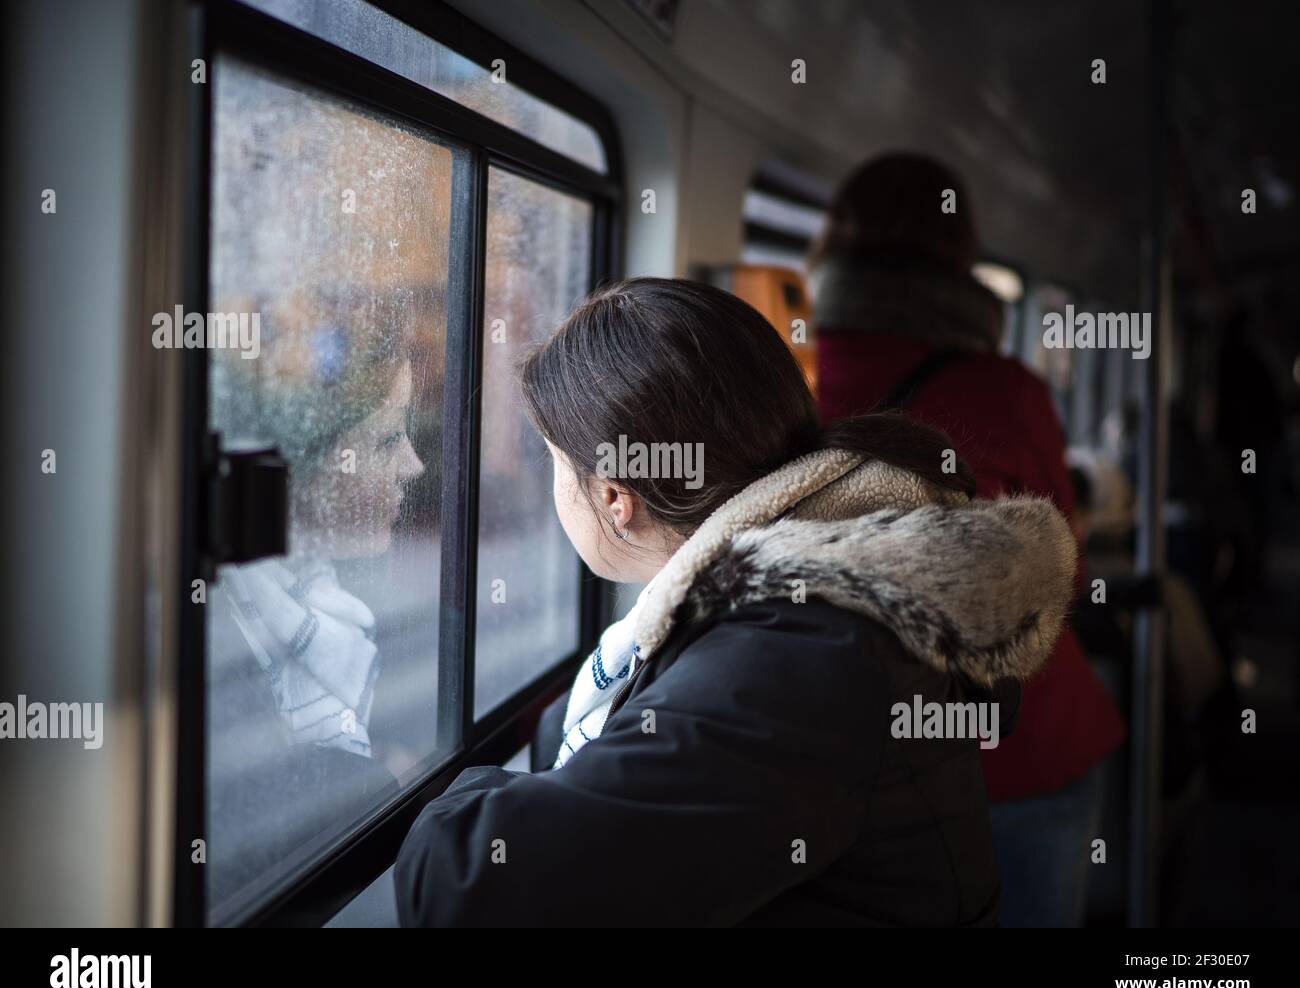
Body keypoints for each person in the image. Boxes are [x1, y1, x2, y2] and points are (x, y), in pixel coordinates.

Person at [394, 277, 1078, 927]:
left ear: (613, 496)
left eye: (553, 462)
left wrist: (435, 791)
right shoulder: (804, 593)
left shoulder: (794, 654)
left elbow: (474, 892)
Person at [808, 152, 1126, 926]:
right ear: (960, 256)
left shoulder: (791, 374)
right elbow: (1062, 572)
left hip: (855, 764)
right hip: (1029, 746)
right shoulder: (1009, 390)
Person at [207, 285, 426, 910]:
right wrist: (376, 781)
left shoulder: (325, 598)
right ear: (294, 470)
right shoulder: (211, 635)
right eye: (387, 440)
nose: (413, 465)